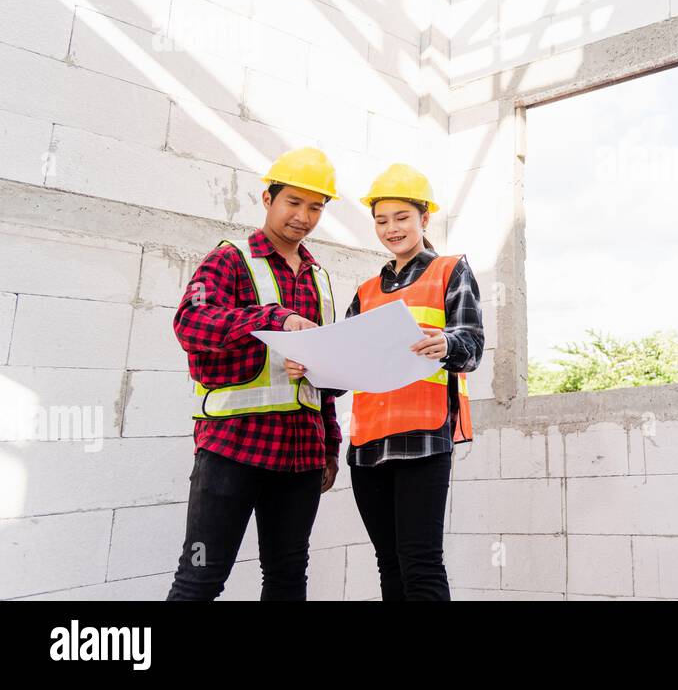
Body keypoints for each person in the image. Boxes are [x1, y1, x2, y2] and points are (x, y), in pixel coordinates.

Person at [165, 146, 342, 601]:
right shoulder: (230, 259)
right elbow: (190, 323)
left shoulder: (319, 278)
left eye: (316, 207)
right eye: (293, 202)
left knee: (287, 579)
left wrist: (330, 446)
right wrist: (271, 318)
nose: (303, 216)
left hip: (301, 455)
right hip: (232, 449)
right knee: (200, 577)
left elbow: (321, 380)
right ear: (268, 199)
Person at [345, 162, 484, 601]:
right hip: (368, 444)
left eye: (402, 217)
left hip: (423, 439)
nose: (391, 228)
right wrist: (309, 367)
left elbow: (473, 345)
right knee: (390, 565)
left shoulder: (450, 270)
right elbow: (344, 360)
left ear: (424, 219)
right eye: (381, 220)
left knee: (420, 562)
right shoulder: (366, 291)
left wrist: (446, 342)